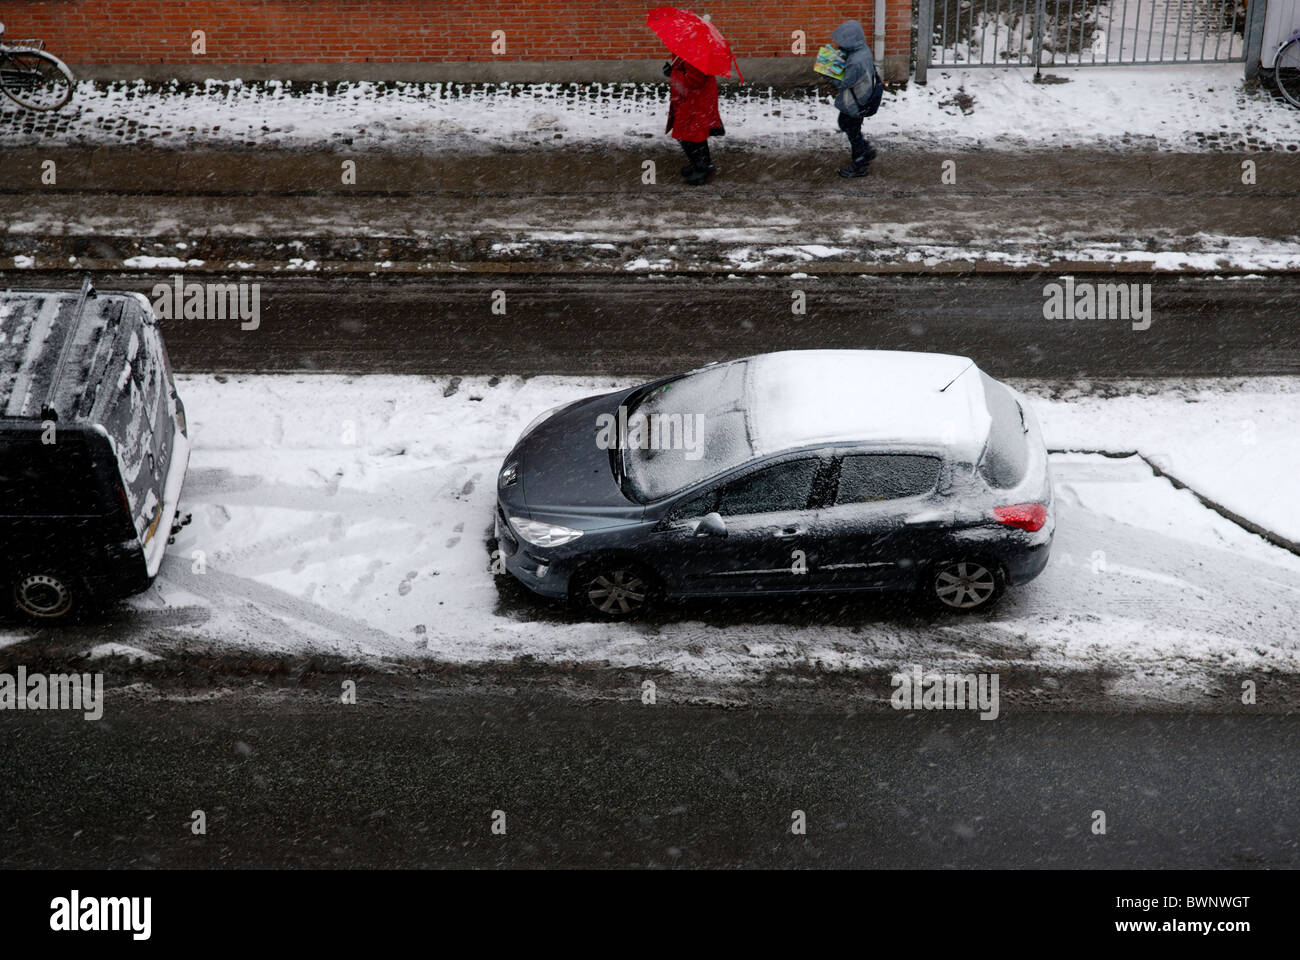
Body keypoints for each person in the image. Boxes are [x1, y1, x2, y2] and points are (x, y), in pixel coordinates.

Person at [828, 19, 881, 178]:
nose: (840, 45)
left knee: (851, 129)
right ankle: (865, 150)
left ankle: (860, 164)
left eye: (843, 42)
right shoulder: (862, 50)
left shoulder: (856, 62)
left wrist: (826, 73)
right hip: (863, 97)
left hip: (855, 102)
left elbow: (844, 82)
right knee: (849, 126)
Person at [664, 55, 722, 186]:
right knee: (691, 134)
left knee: (691, 135)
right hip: (691, 99)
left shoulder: (695, 55)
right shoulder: (687, 51)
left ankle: (703, 168)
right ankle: (699, 164)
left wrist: (672, 73)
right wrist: (674, 70)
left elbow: (694, 81)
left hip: (696, 100)